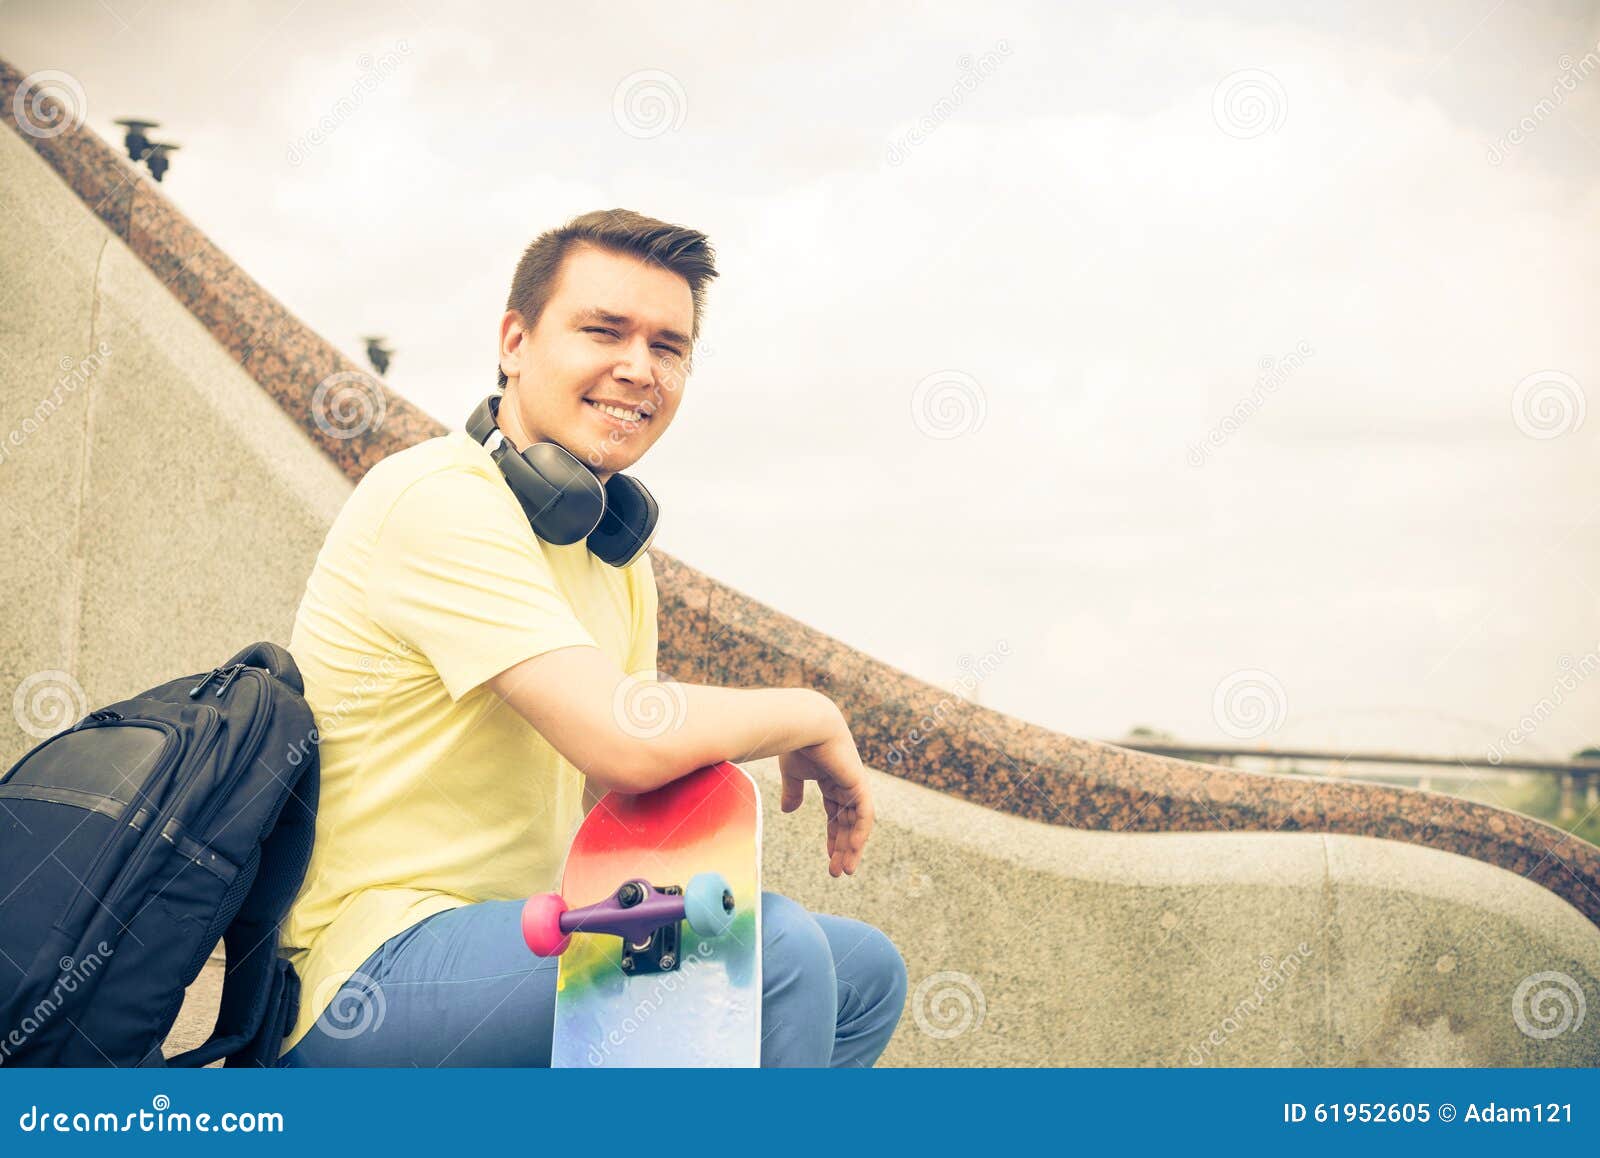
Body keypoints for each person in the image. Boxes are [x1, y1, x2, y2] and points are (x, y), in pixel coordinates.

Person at [276, 209, 907, 1067]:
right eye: (604, 331)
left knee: (865, 969)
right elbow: (624, 740)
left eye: (668, 346)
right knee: (775, 954)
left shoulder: (611, 555)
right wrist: (809, 713)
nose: (638, 368)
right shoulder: (438, 499)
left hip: (530, 943)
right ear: (515, 342)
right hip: (369, 973)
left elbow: (618, 799)